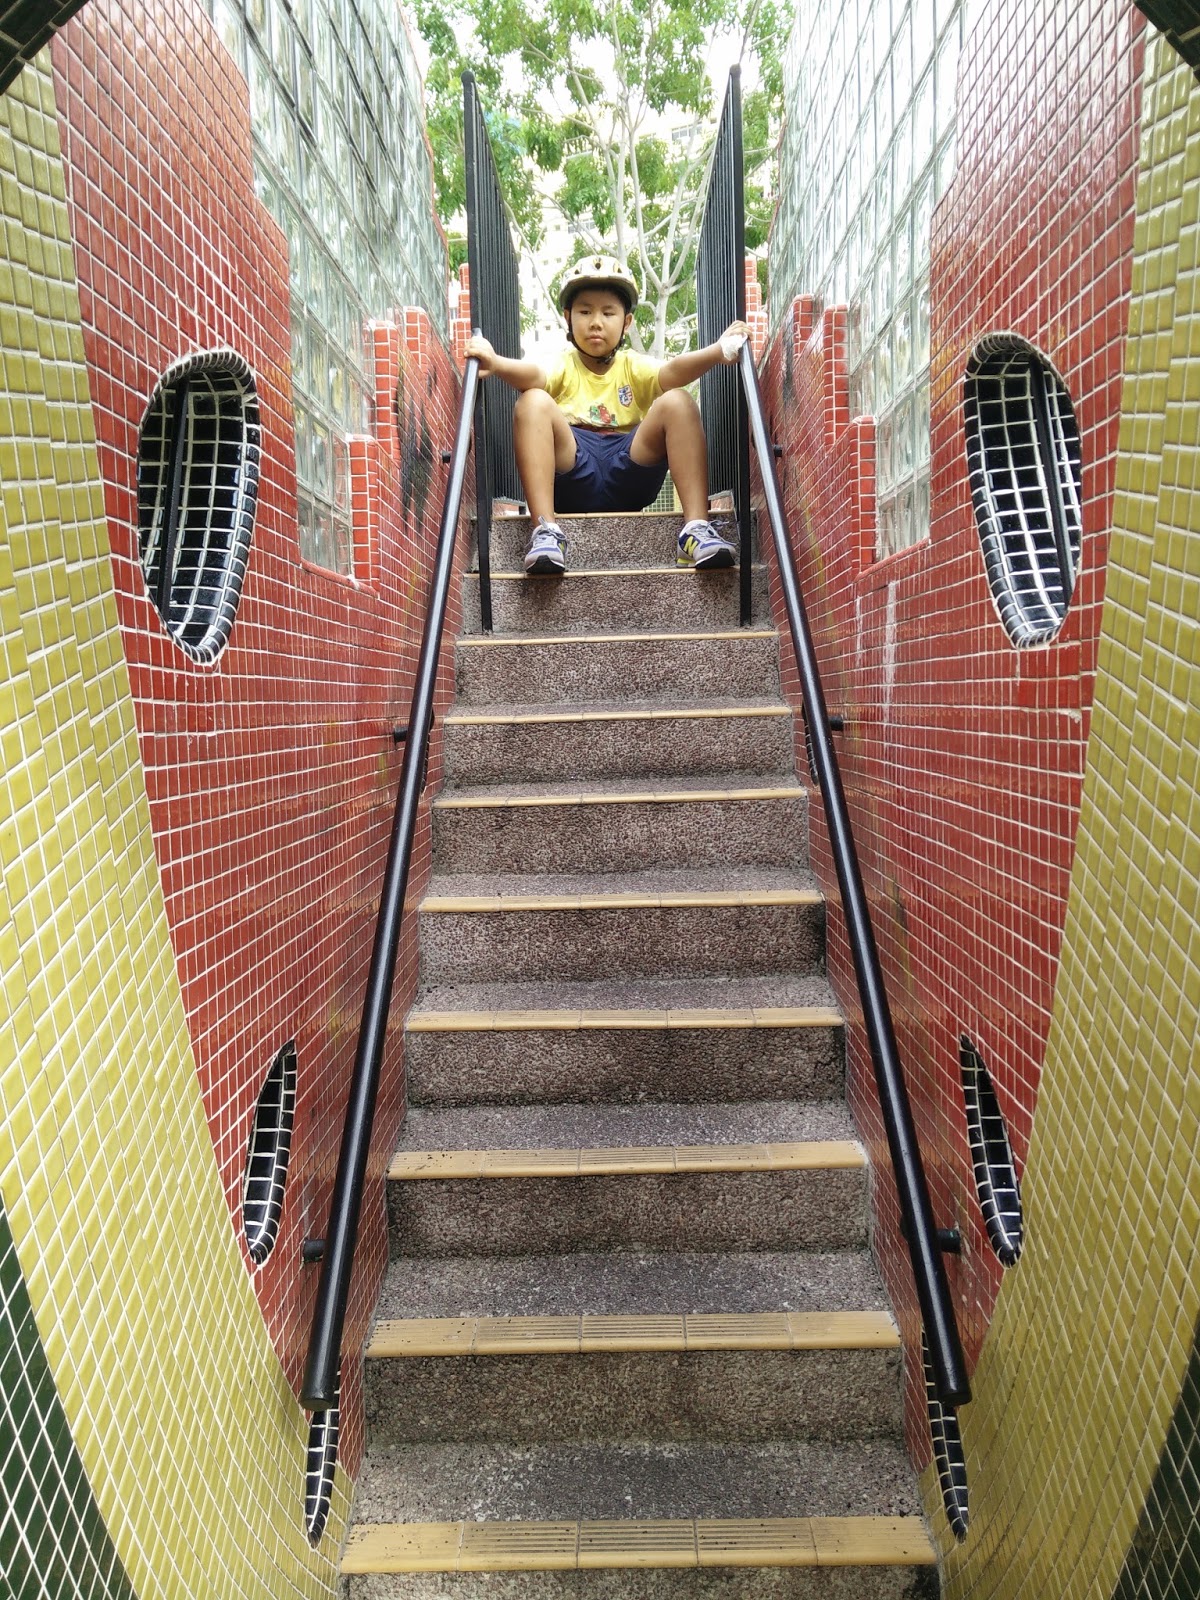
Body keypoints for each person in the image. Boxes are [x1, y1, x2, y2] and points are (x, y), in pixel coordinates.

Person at [464, 255, 749, 575]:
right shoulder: (564, 364)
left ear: (626, 322)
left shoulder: (632, 365)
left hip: (627, 468)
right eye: (585, 311)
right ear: (568, 318)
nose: (596, 322)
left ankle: (695, 529)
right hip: (574, 470)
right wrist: (496, 362)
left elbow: (672, 371)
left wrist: (719, 350)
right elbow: (533, 376)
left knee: (678, 401)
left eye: (608, 312)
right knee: (532, 401)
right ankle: (546, 531)